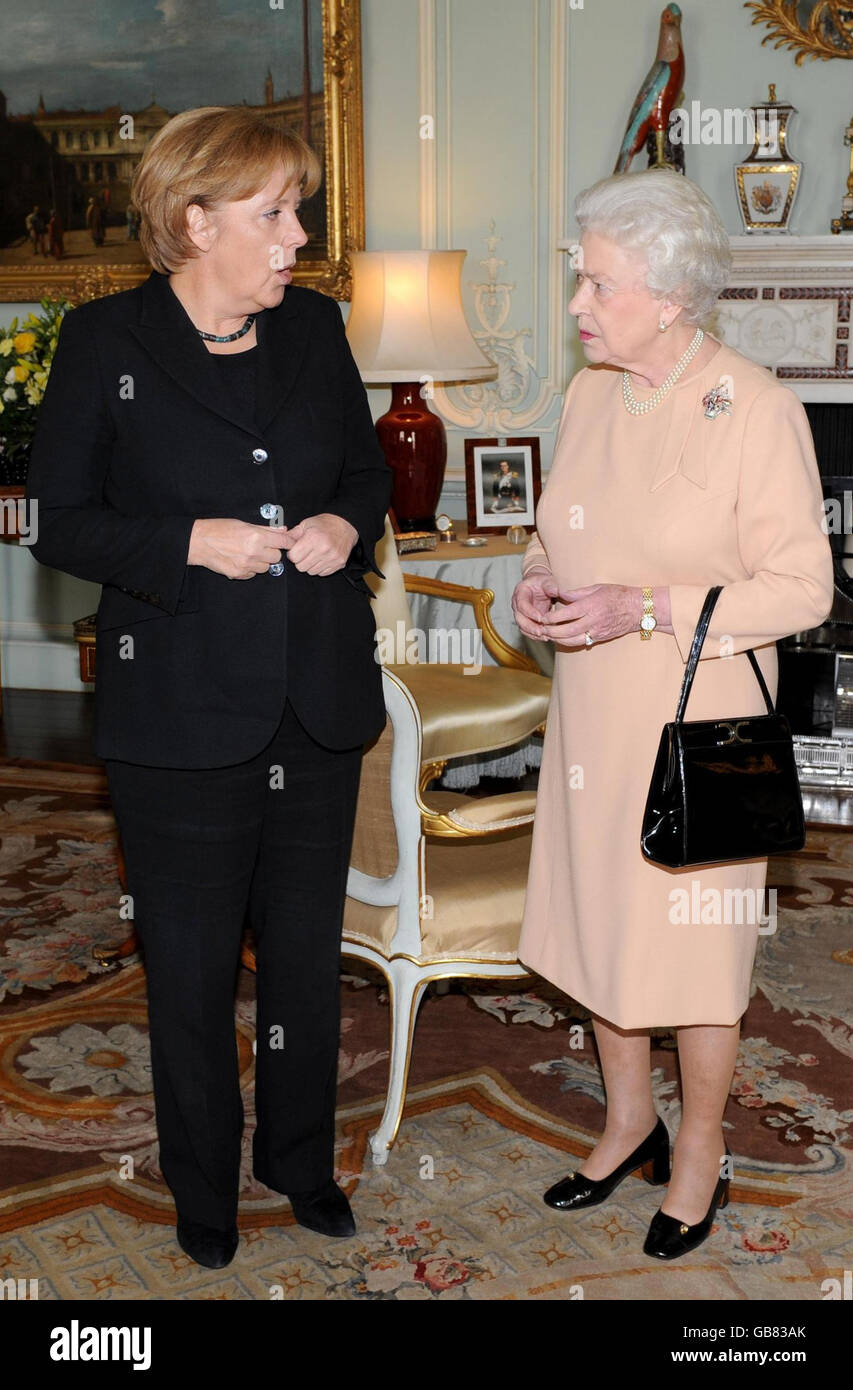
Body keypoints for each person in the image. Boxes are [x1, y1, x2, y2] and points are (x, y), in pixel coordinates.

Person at [26, 106, 392, 1270]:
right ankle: (204, 1189)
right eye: (275, 212)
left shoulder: (314, 326)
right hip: (178, 713)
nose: (299, 236)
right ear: (196, 222)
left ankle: (300, 1161)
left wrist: (344, 523)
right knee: (187, 971)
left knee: (303, 958)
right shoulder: (105, 342)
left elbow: (365, 471)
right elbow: (60, 523)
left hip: (315, 701)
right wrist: (186, 542)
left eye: (300, 210)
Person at [511, 170, 833, 1261]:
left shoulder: (756, 406)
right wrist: (535, 583)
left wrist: (644, 605)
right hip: (592, 713)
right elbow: (556, 534)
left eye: (598, 284)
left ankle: (700, 1146)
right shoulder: (589, 395)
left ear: (670, 295)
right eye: (579, 279)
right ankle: (626, 1122)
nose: (577, 304)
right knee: (605, 927)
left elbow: (803, 590)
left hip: (700, 726)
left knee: (692, 952)